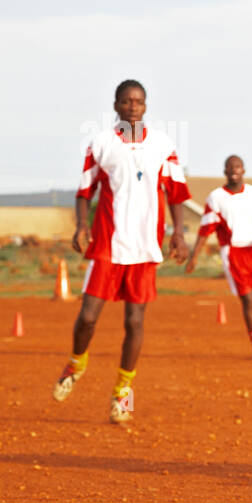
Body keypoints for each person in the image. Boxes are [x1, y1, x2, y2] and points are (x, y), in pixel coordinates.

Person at [53, 79, 190, 423]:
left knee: (134, 321)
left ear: (146, 106)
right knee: (88, 316)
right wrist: (81, 225)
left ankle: (122, 393)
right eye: (126, 101)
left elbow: (176, 192)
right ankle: (76, 363)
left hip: (144, 248)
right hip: (108, 244)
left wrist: (178, 234)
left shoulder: (163, 144)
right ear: (115, 106)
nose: (133, 107)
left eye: (138, 101)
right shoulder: (101, 143)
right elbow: (84, 190)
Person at [186, 155, 252, 358]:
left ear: (244, 170)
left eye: (238, 166)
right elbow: (205, 230)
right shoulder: (216, 198)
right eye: (230, 166)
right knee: (248, 299)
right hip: (232, 253)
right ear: (225, 171)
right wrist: (194, 257)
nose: (234, 169)